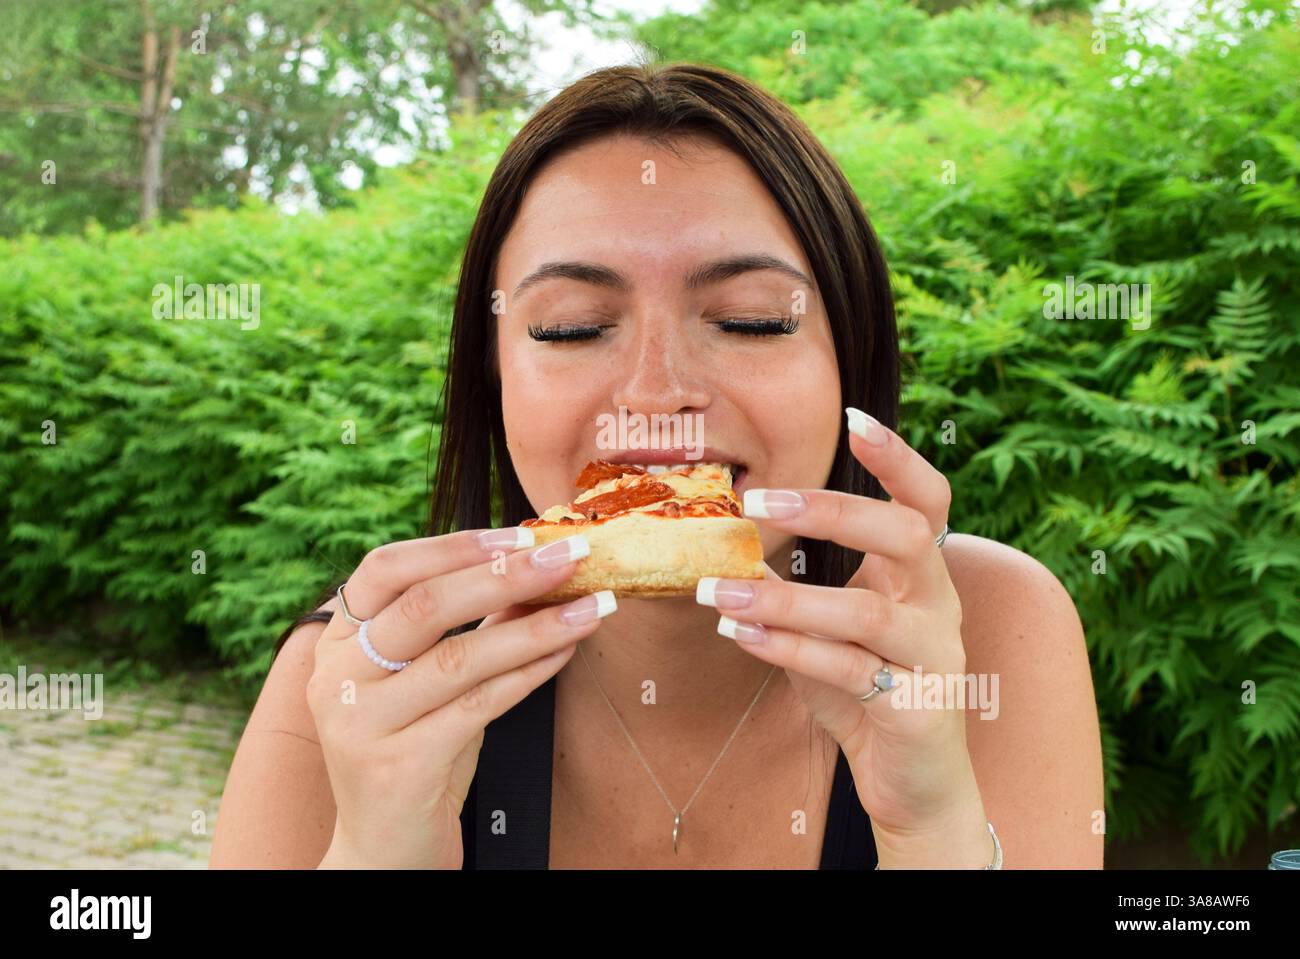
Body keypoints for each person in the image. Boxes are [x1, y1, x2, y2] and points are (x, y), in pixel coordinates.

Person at [209, 62, 1103, 870]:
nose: (655, 393)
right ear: (494, 378)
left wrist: (935, 836)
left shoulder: (990, 637)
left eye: (751, 320)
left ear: (851, 359)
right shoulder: (358, 683)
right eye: (570, 327)